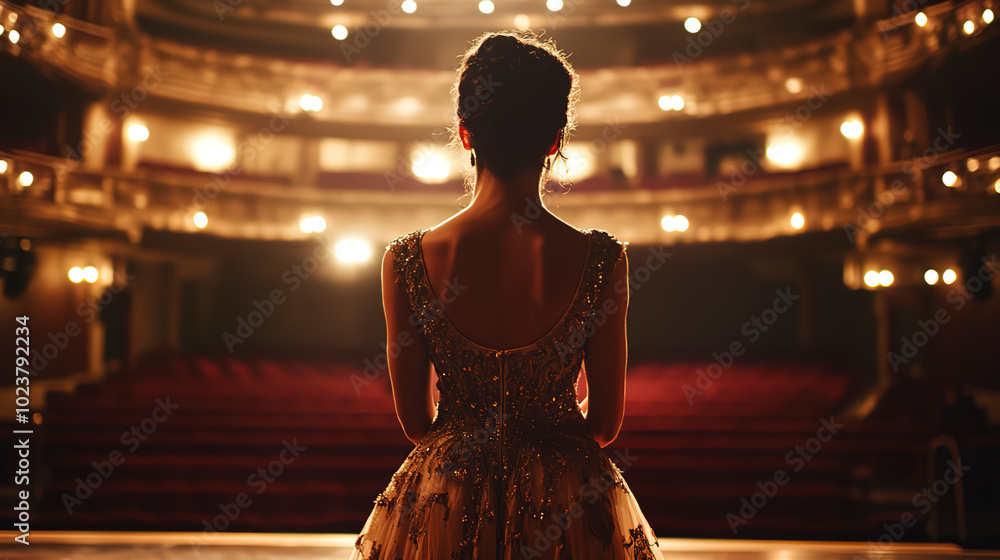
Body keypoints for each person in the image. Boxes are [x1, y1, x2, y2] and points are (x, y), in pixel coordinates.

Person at [350, 31, 662, 560]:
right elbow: (605, 425)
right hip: (564, 495)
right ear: (554, 141)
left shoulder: (404, 261)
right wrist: (547, 419)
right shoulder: (603, 260)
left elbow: (417, 423)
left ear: (465, 134)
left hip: (447, 493)